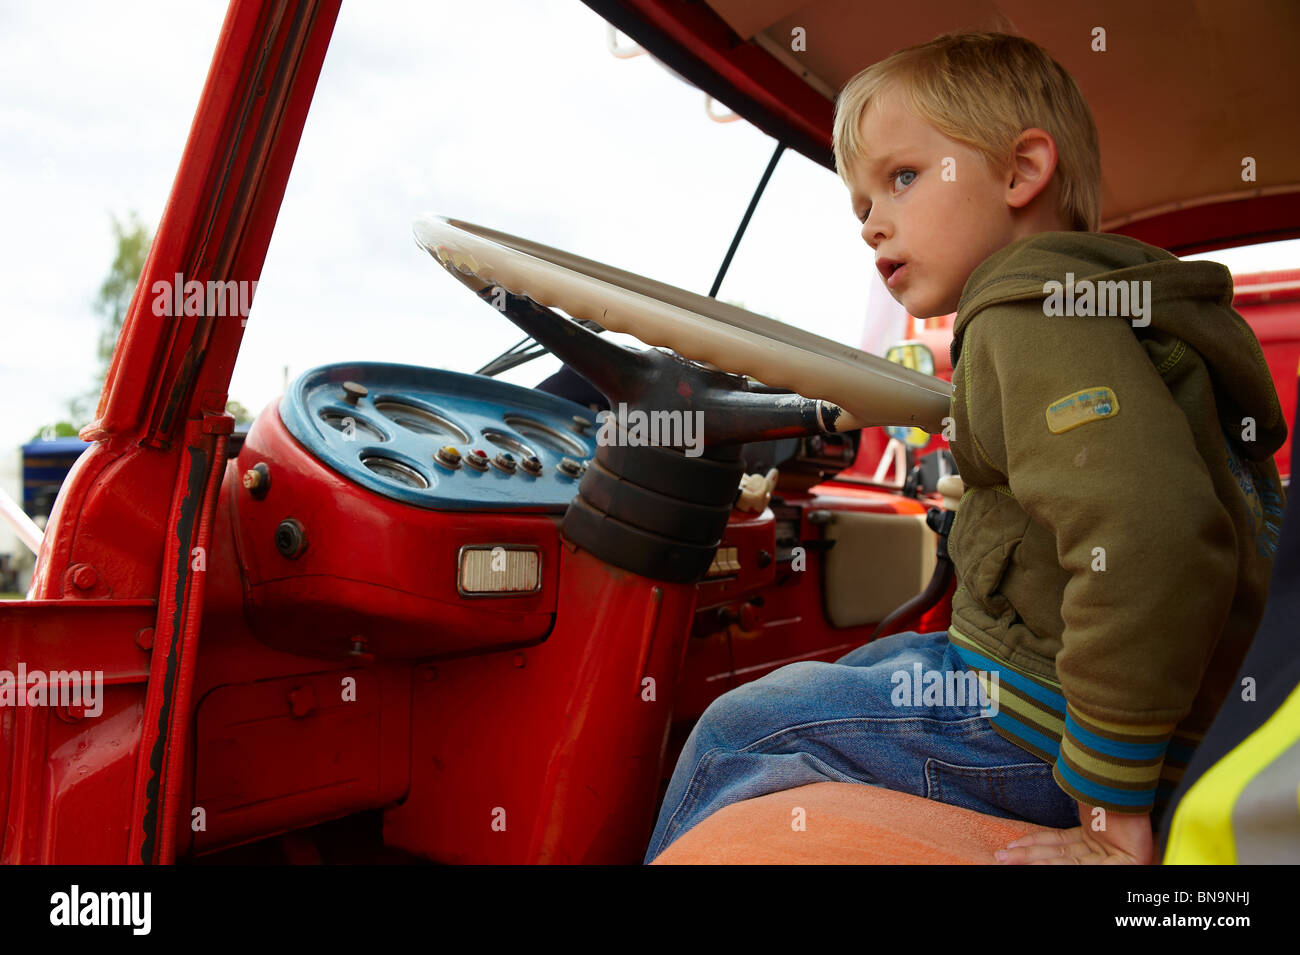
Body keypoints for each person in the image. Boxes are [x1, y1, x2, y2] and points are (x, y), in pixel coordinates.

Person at [643, 31, 1285, 865]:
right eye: (860, 204)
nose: (873, 224)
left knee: (738, 729)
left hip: (1055, 720)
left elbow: (1152, 534)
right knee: (866, 664)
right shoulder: (1113, 313)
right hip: (1091, 687)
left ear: (1021, 173)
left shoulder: (1023, 313)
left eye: (902, 179)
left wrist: (1109, 806)